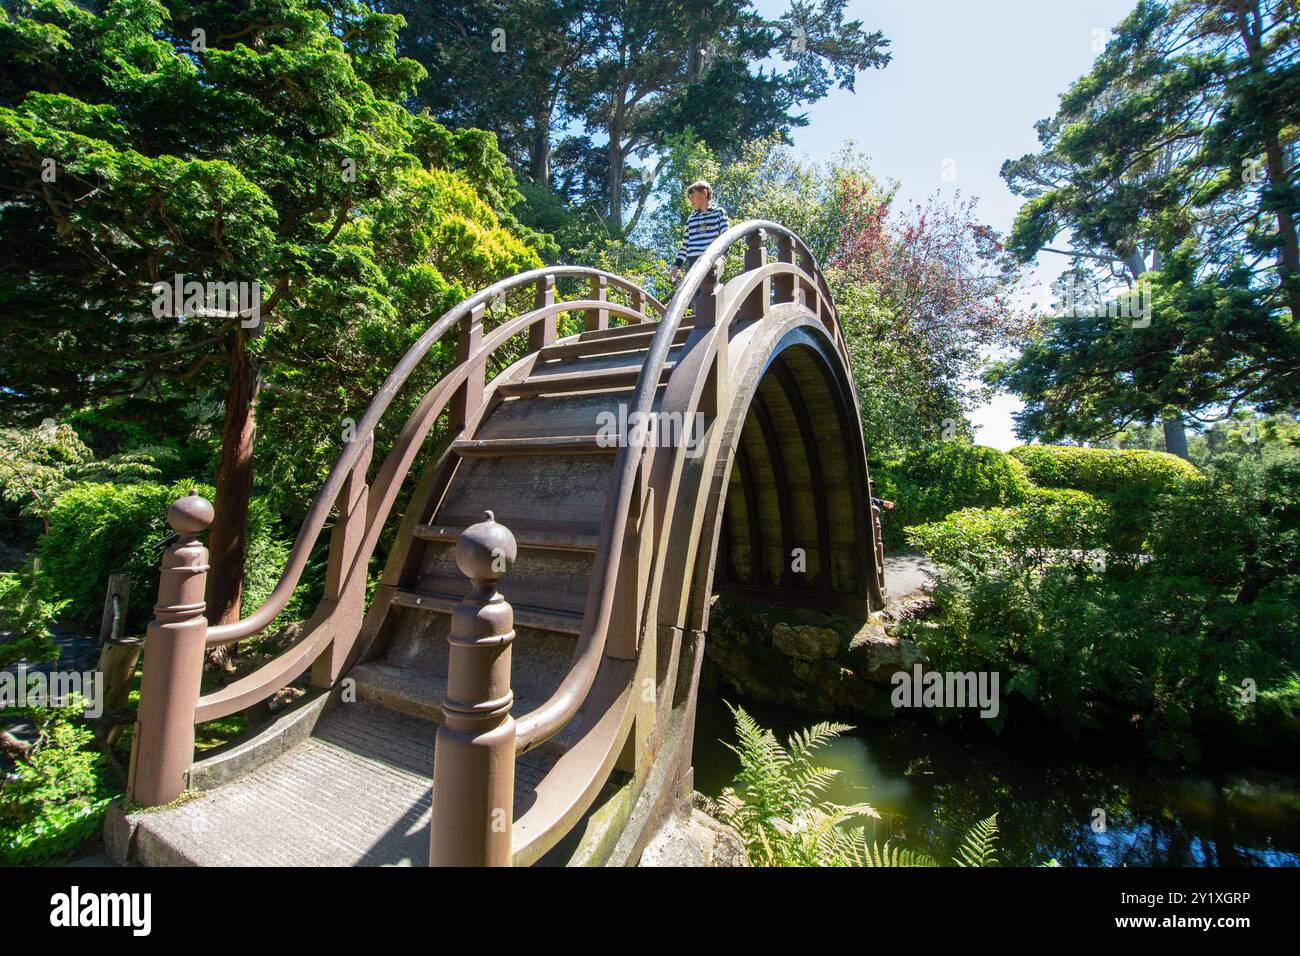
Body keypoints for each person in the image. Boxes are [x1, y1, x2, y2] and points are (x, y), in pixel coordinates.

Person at [668, 180, 729, 283]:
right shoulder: (691, 219)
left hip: (711, 260)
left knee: (707, 291)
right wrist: (677, 266)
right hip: (693, 262)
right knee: (692, 295)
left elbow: (726, 237)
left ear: (704, 193)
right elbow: (685, 246)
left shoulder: (719, 212)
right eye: (689, 198)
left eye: (692, 196)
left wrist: (722, 257)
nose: (690, 200)